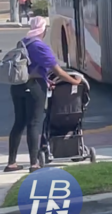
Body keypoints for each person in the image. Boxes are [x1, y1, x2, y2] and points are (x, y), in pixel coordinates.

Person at [5, 17, 81, 173]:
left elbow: (29, 66)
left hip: (17, 87)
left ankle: (11, 162)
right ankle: (34, 164)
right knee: (34, 123)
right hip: (34, 88)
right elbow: (58, 71)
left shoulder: (23, 42)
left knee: (19, 123)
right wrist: (75, 82)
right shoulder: (40, 46)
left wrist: (46, 81)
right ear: (42, 30)